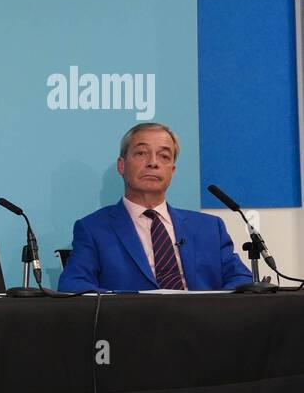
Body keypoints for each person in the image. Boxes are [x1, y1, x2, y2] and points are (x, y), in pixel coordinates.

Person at [58, 122, 252, 292]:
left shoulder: (209, 227)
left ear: (172, 170)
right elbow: (73, 285)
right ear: (121, 166)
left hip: (200, 327)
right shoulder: (93, 228)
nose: (153, 163)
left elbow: (242, 280)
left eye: (164, 156)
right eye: (142, 153)